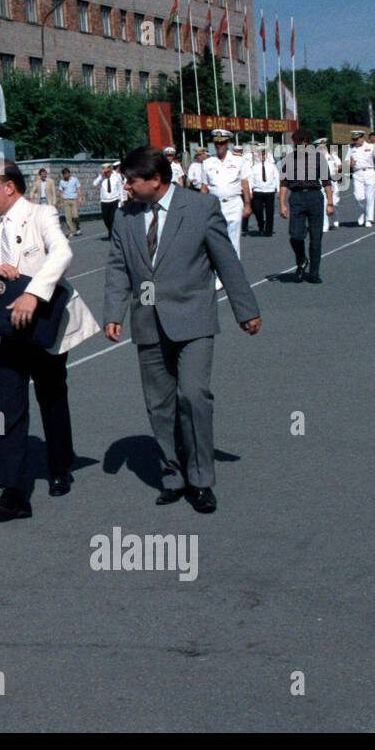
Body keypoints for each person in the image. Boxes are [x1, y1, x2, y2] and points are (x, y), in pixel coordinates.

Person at [102, 146, 261, 514]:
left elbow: (227, 261)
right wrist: (115, 312)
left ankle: (202, 479)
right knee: (160, 404)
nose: (124, 187)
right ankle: (173, 475)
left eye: (131, 181)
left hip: (193, 319)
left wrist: (245, 309)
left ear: (155, 181)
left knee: (193, 395)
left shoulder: (200, 208)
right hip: (147, 321)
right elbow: (117, 267)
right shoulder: (126, 216)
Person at [0, 158, 100, 520]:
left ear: (8, 186)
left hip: (41, 324)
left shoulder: (41, 214)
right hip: (4, 331)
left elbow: (62, 253)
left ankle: (58, 466)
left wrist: (33, 293)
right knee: (9, 409)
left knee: (52, 397)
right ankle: (12, 491)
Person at [278, 129, 334, 283]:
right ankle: (302, 258)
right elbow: (283, 183)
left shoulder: (318, 159)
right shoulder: (289, 160)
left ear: (307, 142)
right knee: (295, 235)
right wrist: (281, 204)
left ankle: (314, 273)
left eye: (301, 141)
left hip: (315, 196)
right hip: (296, 197)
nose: (299, 144)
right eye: (296, 142)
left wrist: (330, 203)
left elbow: (327, 182)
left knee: (316, 239)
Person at [199, 129, 252, 261]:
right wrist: (200, 207)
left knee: (233, 240)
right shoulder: (207, 163)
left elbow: (244, 183)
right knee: (216, 240)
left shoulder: (238, 161)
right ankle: (218, 273)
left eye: (222, 143)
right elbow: (204, 187)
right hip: (215, 206)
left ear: (227, 143)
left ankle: (233, 274)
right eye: (216, 143)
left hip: (234, 204)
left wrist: (247, 205)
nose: (219, 146)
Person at [345, 129, 375, 227]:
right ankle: (363, 212)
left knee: (369, 197)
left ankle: (369, 219)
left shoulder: (371, 147)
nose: (355, 141)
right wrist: (350, 164)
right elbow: (346, 162)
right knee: (358, 196)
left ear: (362, 138)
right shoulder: (351, 148)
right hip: (357, 174)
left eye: (356, 139)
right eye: (353, 139)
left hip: (369, 172)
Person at [249, 144, 279, 236]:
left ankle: (268, 231)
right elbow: (251, 179)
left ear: (266, 155)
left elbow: (276, 177)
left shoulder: (272, 166)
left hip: (269, 191)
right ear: (258, 155)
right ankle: (261, 225)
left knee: (270, 212)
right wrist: (250, 191)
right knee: (258, 210)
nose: (262, 156)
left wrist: (278, 190)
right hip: (258, 191)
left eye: (264, 154)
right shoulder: (254, 167)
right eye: (260, 155)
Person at [315, 137, 342, 230]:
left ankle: (335, 219)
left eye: (323, 145)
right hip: (322, 181)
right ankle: (325, 225)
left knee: (335, 202)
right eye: (320, 146)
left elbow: (339, 165)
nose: (322, 147)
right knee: (324, 202)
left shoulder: (332, 155)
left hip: (333, 181)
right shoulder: (315, 157)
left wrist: (337, 170)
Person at [93, 161, 123, 238]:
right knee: (106, 219)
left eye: (108, 172)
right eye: (105, 172)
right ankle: (110, 230)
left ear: (111, 171)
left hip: (114, 200)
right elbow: (94, 184)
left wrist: (122, 200)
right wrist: (101, 176)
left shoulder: (116, 177)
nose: (106, 173)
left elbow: (120, 189)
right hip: (104, 201)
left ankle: (113, 233)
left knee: (113, 218)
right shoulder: (101, 178)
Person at [58, 166, 82, 236]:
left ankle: (78, 227)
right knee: (68, 217)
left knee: (75, 215)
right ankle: (71, 231)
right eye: (64, 174)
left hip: (74, 200)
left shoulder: (75, 180)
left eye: (67, 173)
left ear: (69, 173)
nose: (66, 175)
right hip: (66, 200)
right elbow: (61, 192)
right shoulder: (61, 182)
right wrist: (61, 202)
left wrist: (80, 198)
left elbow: (78, 189)